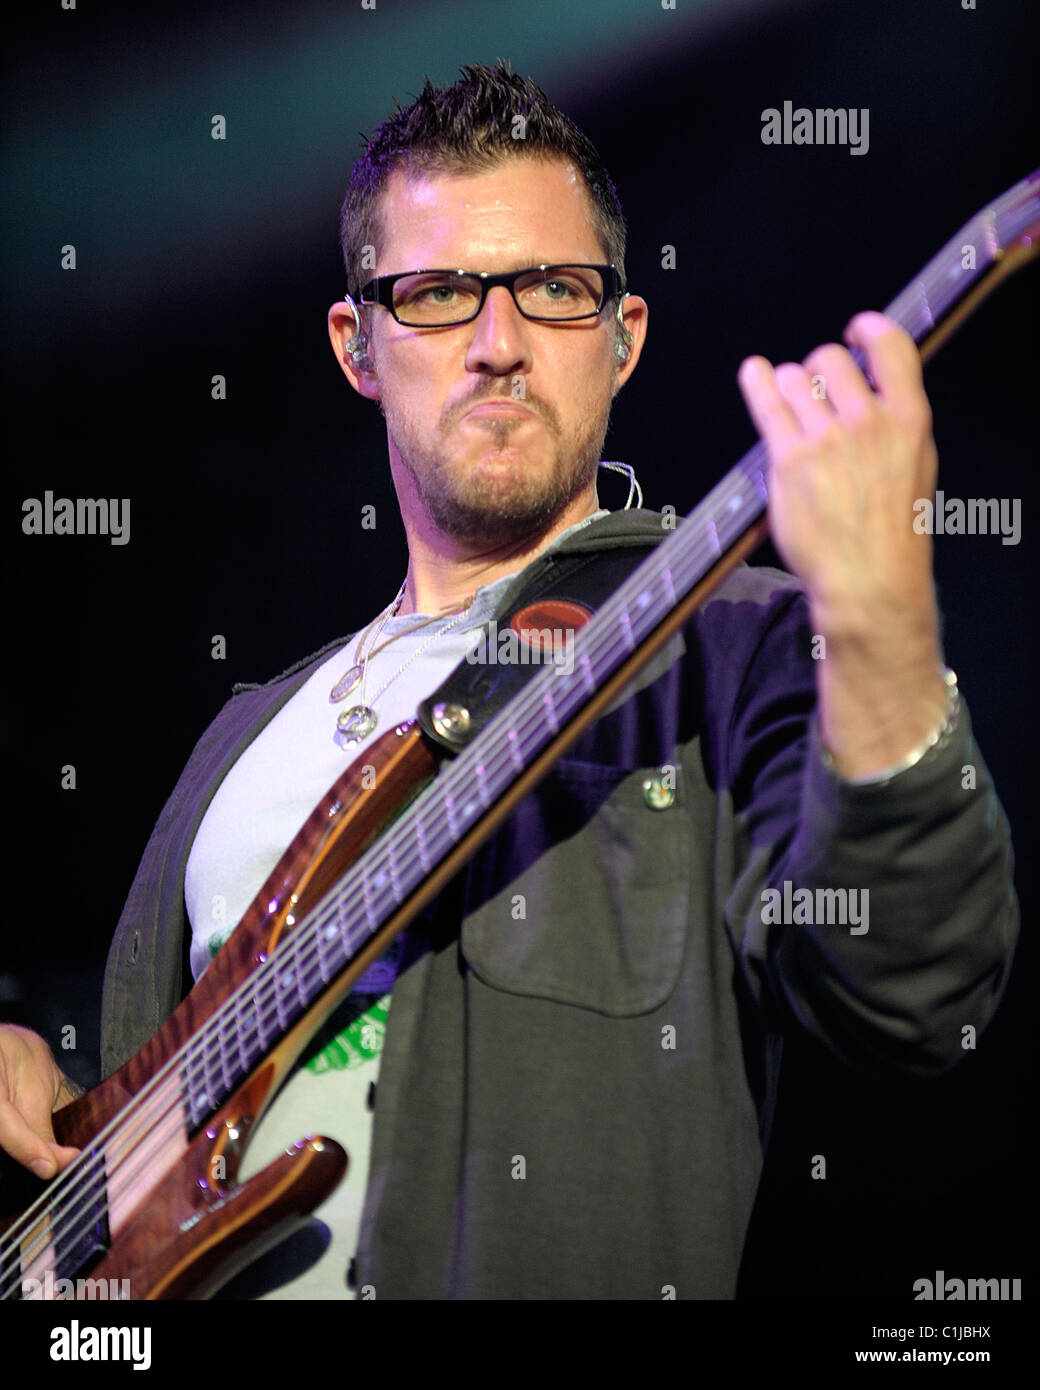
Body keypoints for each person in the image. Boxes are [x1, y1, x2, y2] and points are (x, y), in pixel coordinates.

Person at [0, 62, 1018, 1300]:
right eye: (435, 293)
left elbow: (912, 986)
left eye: (552, 288)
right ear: (356, 344)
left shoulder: (730, 640)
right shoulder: (241, 735)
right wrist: (38, 1077)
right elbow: (116, 1133)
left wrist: (879, 624)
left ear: (622, 337)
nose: (497, 345)